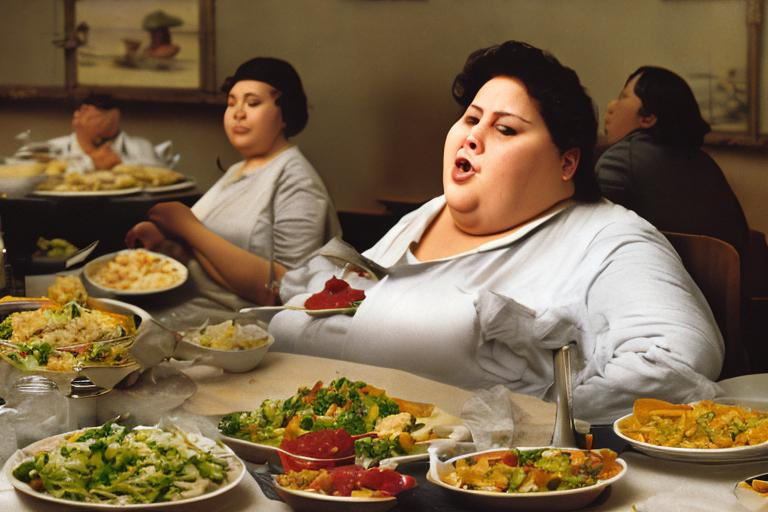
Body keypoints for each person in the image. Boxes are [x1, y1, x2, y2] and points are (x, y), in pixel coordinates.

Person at [263, 42, 723, 424]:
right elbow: (330, 308)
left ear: (567, 162)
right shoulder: (424, 216)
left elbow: (676, 362)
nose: (473, 136)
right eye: (469, 118)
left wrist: (523, 425)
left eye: (504, 128)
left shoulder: (608, 237)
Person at [125, 57, 341, 315]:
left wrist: (186, 226)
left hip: (239, 328)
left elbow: (286, 291)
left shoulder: (297, 180)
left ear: (285, 114)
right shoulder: (237, 170)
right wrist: (168, 239)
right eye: (231, 103)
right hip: (188, 306)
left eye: (253, 103)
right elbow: (208, 256)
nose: (238, 112)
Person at [596, 66, 749, 259]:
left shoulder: (620, 159)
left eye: (623, 97)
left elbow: (594, 240)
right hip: (732, 285)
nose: (612, 106)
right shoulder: (705, 162)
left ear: (648, 118)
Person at [33, 93, 175, 172]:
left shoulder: (140, 147)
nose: (80, 114)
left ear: (114, 117)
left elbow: (162, 175)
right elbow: (33, 178)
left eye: (90, 112)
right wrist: (91, 164)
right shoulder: (52, 147)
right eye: (82, 111)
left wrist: (120, 163)